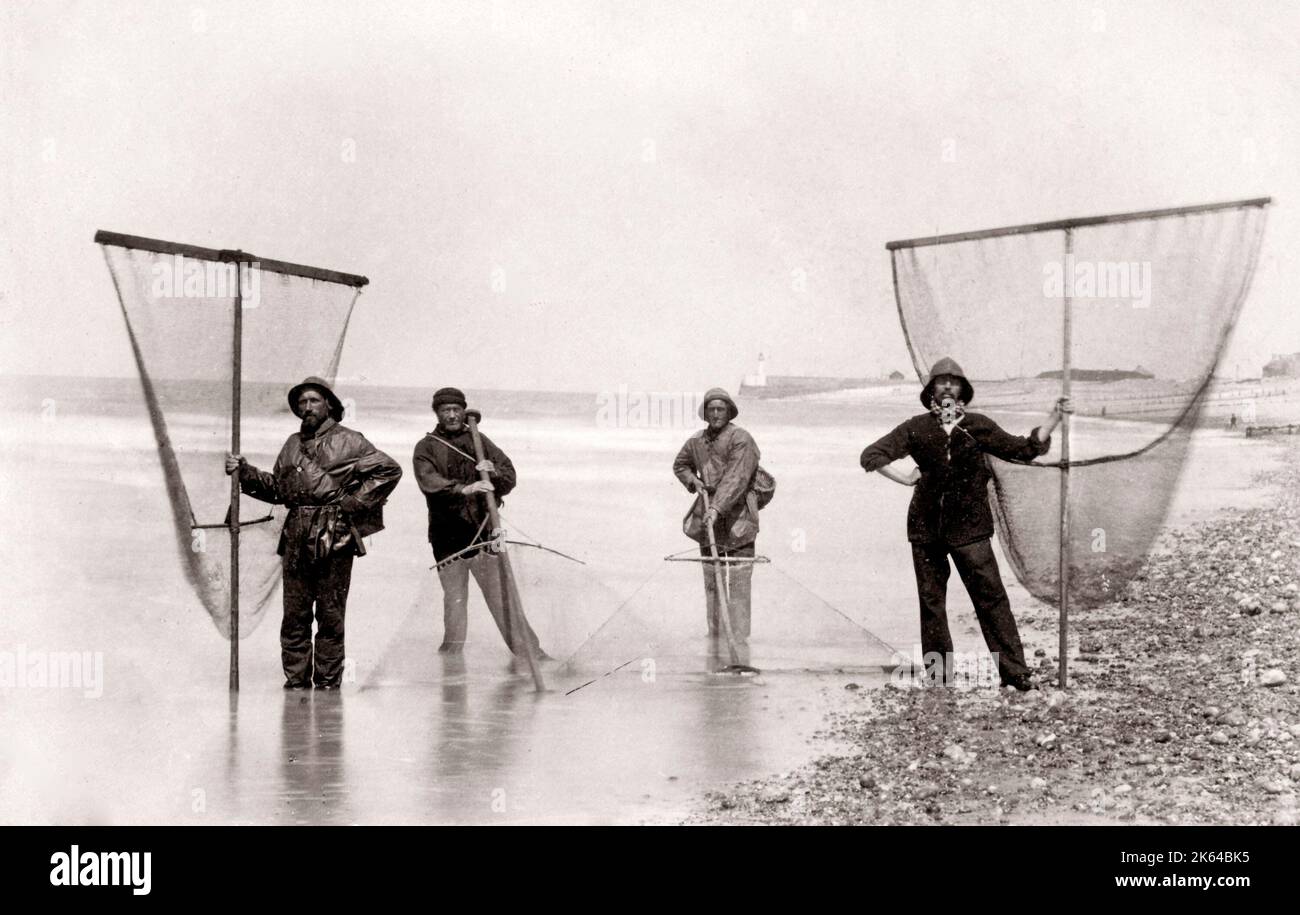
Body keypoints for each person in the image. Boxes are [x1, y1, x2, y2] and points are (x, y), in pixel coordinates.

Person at [859, 357, 1068, 691]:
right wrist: (906, 478)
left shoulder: (979, 426)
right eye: (940, 382)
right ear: (931, 391)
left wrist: (1053, 418)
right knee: (931, 604)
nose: (946, 387)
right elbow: (871, 456)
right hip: (925, 531)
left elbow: (1024, 449)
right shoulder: (915, 428)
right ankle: (939, 677)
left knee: (992, 599)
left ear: (962, 392)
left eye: (952, 383)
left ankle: (1015, 674)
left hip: (971, 531)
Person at [225, 376, 402, 689]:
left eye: (314, 401)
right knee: (294, 616)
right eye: (302, 402)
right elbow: (279, 490)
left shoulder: (351, 440)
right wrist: (245, 471)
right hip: (295, 536)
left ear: (329, 405)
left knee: (331, 616)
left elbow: (389, 470)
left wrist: (352, 503)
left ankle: (328, 684)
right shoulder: (293, 444)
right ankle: (295, 683)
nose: (307, 407)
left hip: (336, 536)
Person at [412, 387, 547, 659]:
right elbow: (429, 482)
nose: (451, 415)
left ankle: (531, 654)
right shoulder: (426, 447)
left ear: (464, 411)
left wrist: (493, 472)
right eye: (445, 410)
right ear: (437, 413)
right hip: (447, 535)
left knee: (502, 599)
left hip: (484, 530)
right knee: (455, 602)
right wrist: (466, 488)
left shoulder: (480, 440)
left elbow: (509, 476)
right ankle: (451, 662)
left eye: (456, 410)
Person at [673, 387, 761, 664]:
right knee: (712, 583)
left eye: (720, 409)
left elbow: (736, 479)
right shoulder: (697, 441)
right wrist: (693, 481)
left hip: (739, 521)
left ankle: (739, 645)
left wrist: (716, 508)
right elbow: (680, 464)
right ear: (705, 412)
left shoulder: (741, 439)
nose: (715, 414)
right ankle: (715, 644)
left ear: (729, 411)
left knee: (738, 582)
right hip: (709, 523)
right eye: (710, 409)